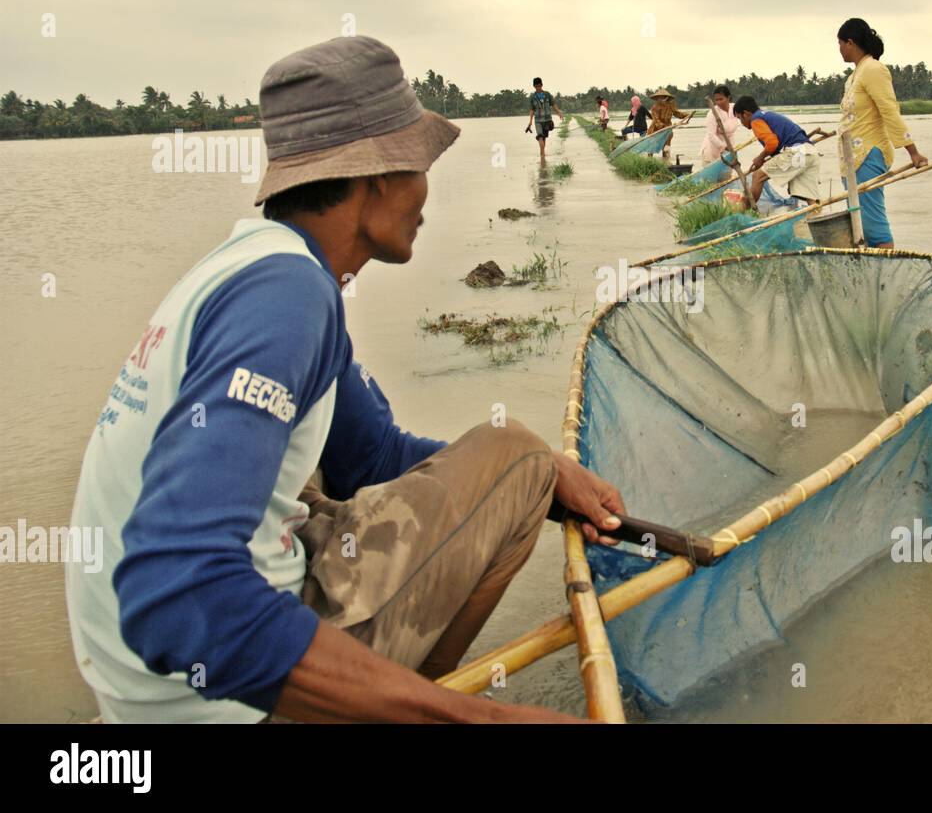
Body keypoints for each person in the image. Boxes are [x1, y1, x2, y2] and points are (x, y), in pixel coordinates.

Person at [65, 36, 625, 724]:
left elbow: (373, 459)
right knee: (510, 453)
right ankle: (397, 703)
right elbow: (173, 592)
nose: (426, 191)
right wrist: (478, 718)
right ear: (378, 177)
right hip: (211, 696)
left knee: (523, 457)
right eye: (419, 166)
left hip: (140, 684)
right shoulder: (288, 296)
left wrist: (549, 474)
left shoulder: (258, 265)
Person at [836, 18, 928, 249]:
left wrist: (913, 153)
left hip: (869, 154)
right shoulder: (855, 75)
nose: (839, 50)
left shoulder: (874, 69)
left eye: (840, 44)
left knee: (874, 225)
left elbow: (890, 111)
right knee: (860, 224)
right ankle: (870, 272)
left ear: (850, 42)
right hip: (852, 159)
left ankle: (885, 278)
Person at [733, 95, 828, 210]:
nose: (741, 123)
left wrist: (760, 157)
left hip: (796, 154)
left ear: (746, 113)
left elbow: (772, 144)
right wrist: (763, 159)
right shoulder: (768, 115)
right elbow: (777, 146)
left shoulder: (755, 120)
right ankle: (818, 220)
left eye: (740, 118)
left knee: (757, 176)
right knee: (810, 198)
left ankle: (743, 211)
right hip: (810, 152)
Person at [699, 85, 743, 166]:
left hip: (729, 150)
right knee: (710, 178)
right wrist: (724, 147)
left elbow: (745, 117)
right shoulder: (712, 113)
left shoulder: (735, 108)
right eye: (716, 100)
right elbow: (711, 135)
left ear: (728, 98)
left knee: (727, 176)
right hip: (712, 150)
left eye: (721, 99)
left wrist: (730, 148)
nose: (718, 102)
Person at [526, 77, 563, 160]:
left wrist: (559, 112)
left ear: (542, 85)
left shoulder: (547, 94)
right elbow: (532, 109)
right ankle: (542, 155)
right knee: (540, 136)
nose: (538, 88)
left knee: (544, 138)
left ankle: (543, 155)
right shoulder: (532, 97)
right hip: (538, 120)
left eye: (539, 86)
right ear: (534, 86)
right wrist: (530, 121)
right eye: (536, 86)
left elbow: (553, 104)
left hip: (547, 120)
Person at [647, 88, 689, 159]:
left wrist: (686, 115)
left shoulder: (670, 106)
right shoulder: (655, 107)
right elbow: (656, 120)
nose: (662, 99)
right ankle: (650, 161)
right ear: (657, 98)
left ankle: (666, 161)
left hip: (667, 129)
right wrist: (662, 126)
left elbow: (677, 113)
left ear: (667, 98)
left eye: (664, 97)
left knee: (666, 147)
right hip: (656, 130)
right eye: (660, 97)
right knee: (652, 147)